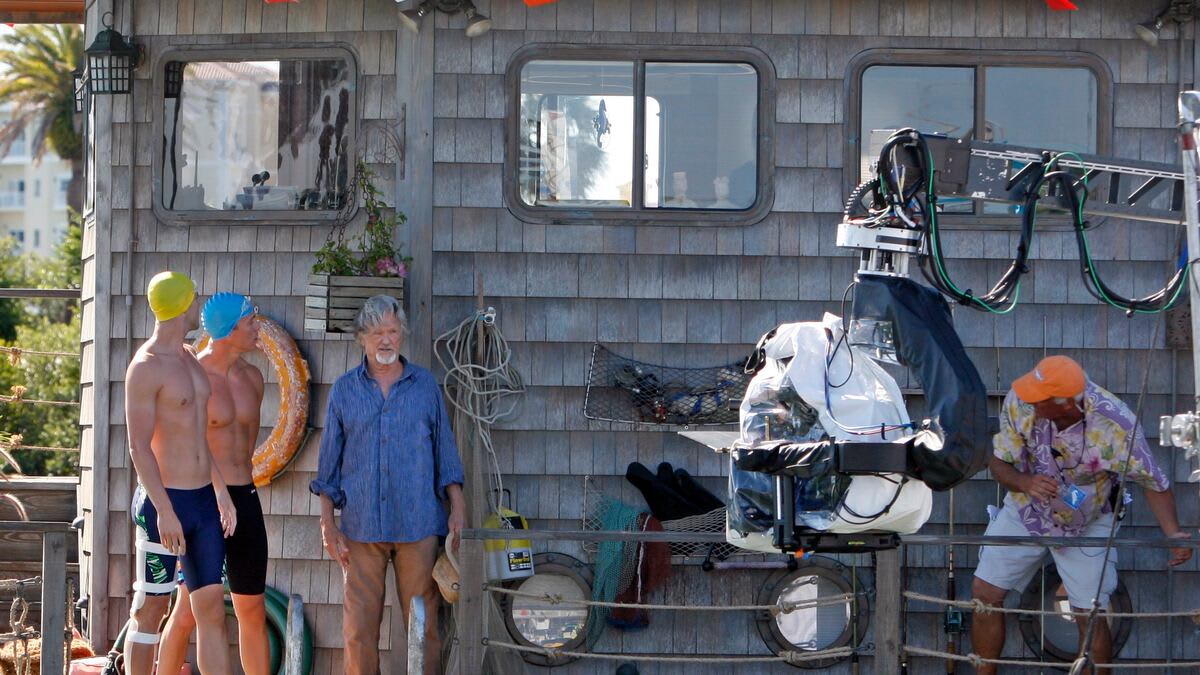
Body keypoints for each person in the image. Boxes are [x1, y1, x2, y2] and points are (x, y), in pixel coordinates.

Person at [970, 355, 1192, 674]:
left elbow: (1152, 480)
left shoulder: (1116, 424)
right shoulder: (1020, 399)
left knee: (1088, 612)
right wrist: (1024, 481)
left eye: (1038, 398)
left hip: (1089, 517)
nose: (1027, 398)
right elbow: (999, 461)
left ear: (1064, 403)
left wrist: (1172, 533)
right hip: (1026, 508)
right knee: (984, 593)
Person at [310, 295, 466, 675]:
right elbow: (328, 463)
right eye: (377, 332)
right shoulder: (345, 390)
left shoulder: (424, 385)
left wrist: (458, 508)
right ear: (362, 337)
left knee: (425, 626)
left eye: (392, 331)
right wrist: (327, 523)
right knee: (359, 629)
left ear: (402, 336)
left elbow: (445, 450)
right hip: (362, 528)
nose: (386, 340)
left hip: (419, 525)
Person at [122, 272, 236, 675]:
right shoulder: (146, 367)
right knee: (151, 606)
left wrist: (220, 490)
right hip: (164, 504)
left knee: (211, 611)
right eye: (193, 299)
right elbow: (138, 447)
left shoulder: (189, 356)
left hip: (203, 502)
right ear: (182, 306)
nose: (197, 305)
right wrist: (164, 510)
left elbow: (196, 433)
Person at [158, 293, 269, 675]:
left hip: (245, 497)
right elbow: (187, 442)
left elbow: (247, 446)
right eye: (251, 323)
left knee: (251, 609)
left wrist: (238, 493)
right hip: (205, 501)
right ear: (227, 331)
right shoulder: (195, 375)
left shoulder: (253, 377)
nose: (258, 328)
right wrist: (217, 491)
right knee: (188, 611)